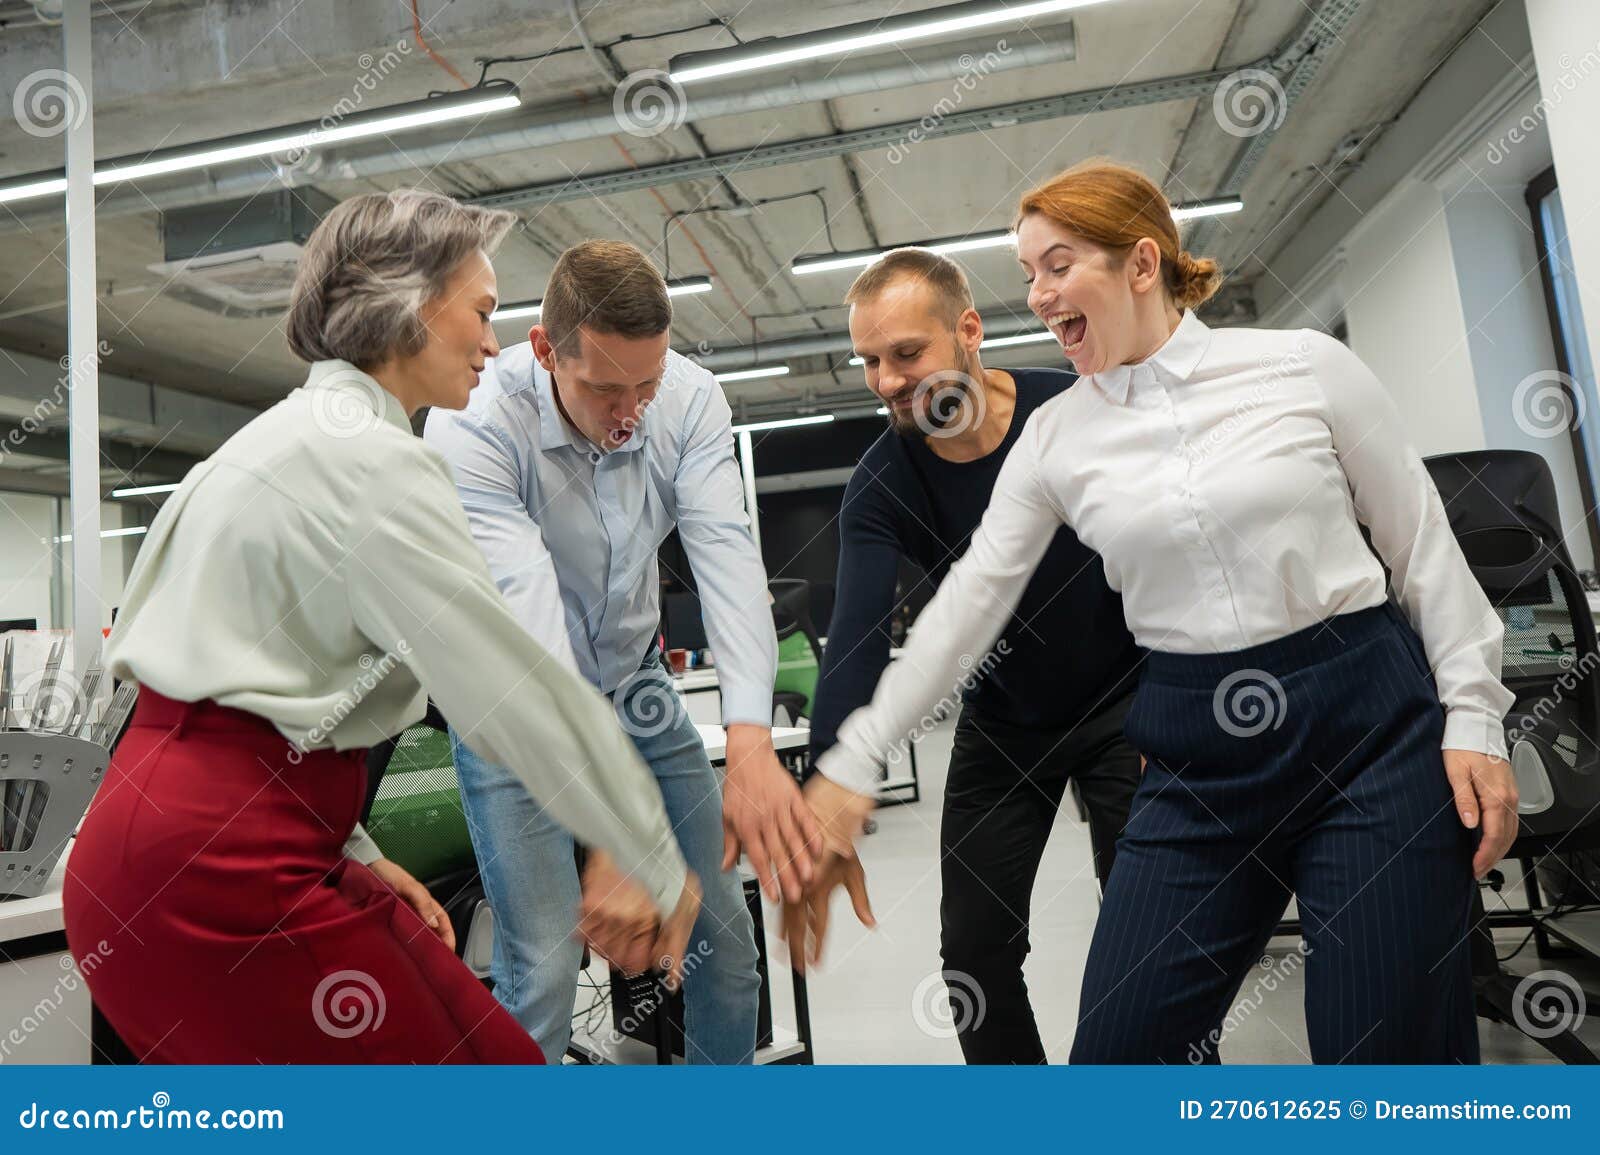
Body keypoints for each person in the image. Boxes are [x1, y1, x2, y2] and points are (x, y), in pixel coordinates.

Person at [801, 160, 1518, 1064]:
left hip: (1366, 724)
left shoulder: (1303, 365)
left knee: (1383, 1054)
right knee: (1121, 1054)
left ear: (1143, 263)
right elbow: (965, 608)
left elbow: (1422, 548)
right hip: (1192, 748)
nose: (1040, 292)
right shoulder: (1058, 439)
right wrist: (847, 764)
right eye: (1028, 273)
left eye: (1057, 265)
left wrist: (1475, 714)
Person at [62, 190, 701, 1064]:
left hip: (172, 853)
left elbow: (269, 698)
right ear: (409, 305)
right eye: (480, 311)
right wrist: (649, 853)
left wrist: (356, 850)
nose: (492, 342)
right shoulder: (373, 463)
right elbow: (507, 690)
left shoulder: (274, 442)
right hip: (215, 875)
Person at [424, 239, 820, 1064]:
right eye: (606, 388)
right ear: (544, 350)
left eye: (646, 383)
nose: (631, 410)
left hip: (635, 685)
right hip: (514, 702)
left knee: (726, 948)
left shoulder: (690, 399)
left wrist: (748, 738)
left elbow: (726, 559)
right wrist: (610, 831)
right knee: (542, 970)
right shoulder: (476, 417)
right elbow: (527, 622)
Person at [808, 247, 1143, 1063]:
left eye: (906, 353)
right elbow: (855, 641)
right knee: (975, 960)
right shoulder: (883, 480)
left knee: (1155, 946)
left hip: (1130, 706)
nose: (886, 379)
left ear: (968, 331)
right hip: (1005, 726)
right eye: (869, 361)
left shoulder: (1075, 407)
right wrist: (826, 784)